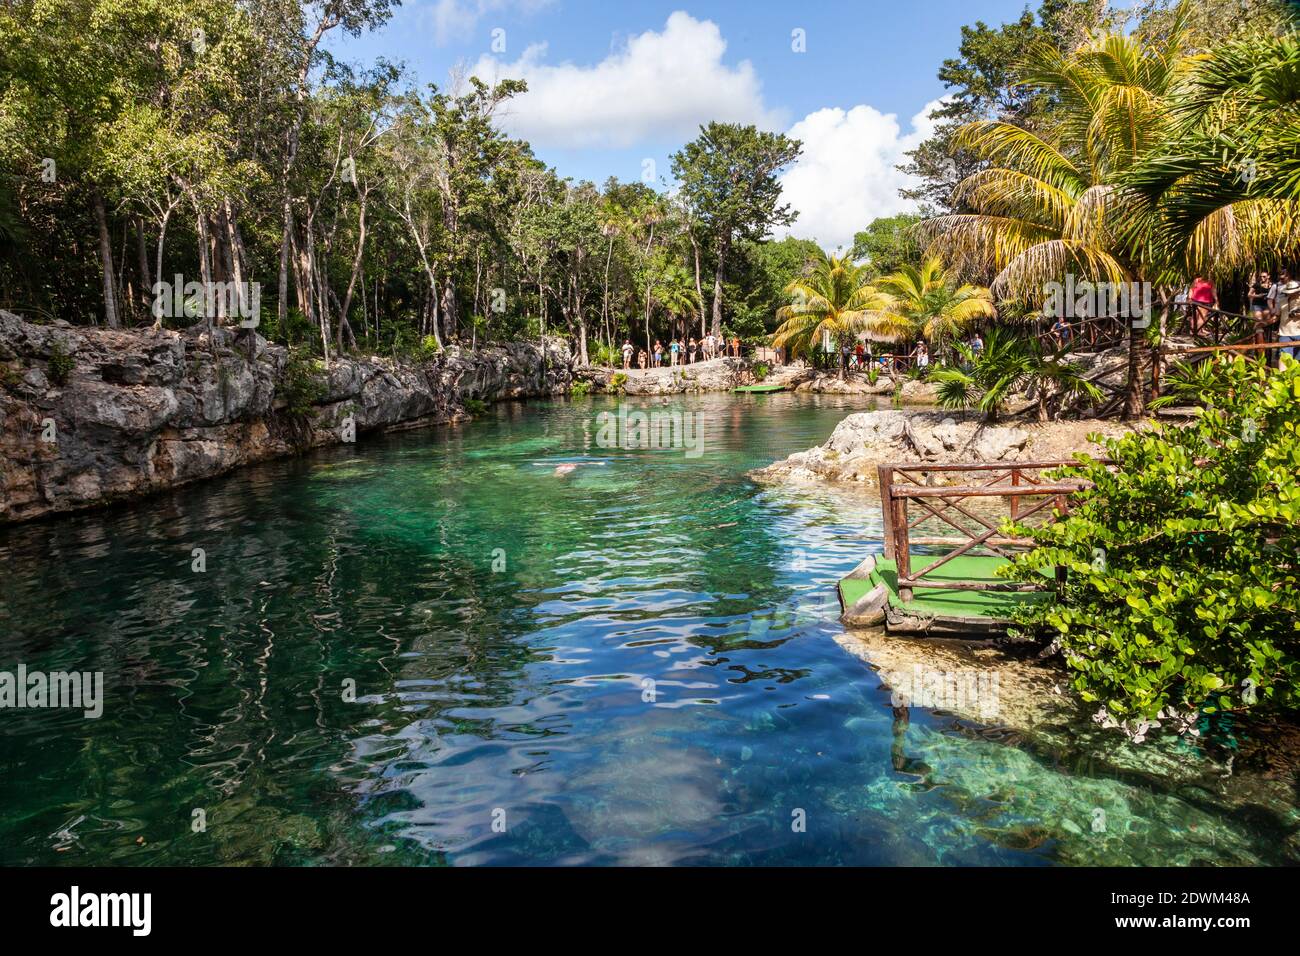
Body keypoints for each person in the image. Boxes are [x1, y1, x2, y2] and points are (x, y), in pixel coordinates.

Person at [1274, 270, 1300, 360]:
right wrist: (1263, 323)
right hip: (1285, 333)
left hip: (1299, 332)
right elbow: (1276, 317)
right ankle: (1282, 374)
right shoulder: (1281, 302)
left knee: (1297, 361)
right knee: (1284, 359)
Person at [1249, 272, 1272, 346]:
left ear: (1268, 276)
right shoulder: (1257, 284)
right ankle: (1254, 340)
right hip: (1257, 304)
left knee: (1266, 322)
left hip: (1267, 305)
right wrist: (1258, 296)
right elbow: (1249, 294)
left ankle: (1265, 340)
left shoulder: (1272, 285)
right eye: (1261, 276)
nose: (1262, 278)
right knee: (1258, 320)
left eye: (1264, 276)